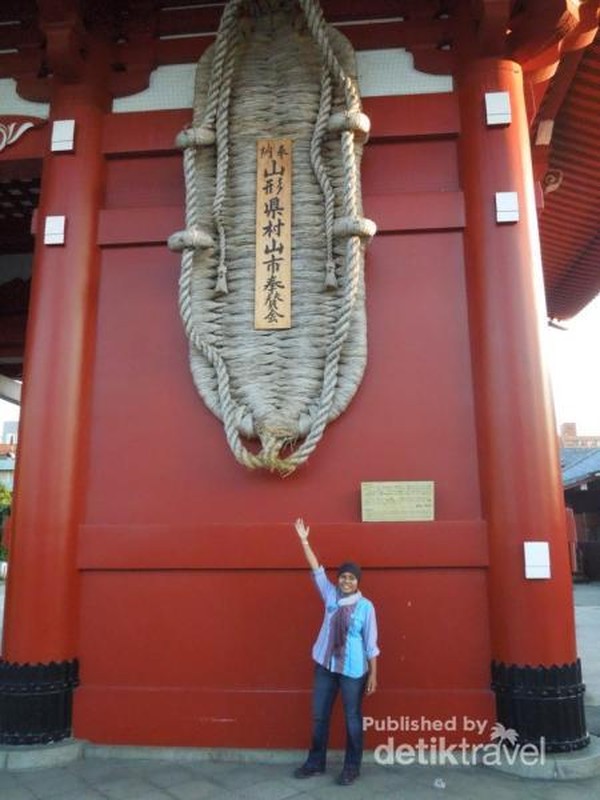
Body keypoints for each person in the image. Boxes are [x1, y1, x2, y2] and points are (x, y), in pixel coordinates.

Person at [293, 517, 380, 786]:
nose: (346, 581)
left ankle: (351, 767)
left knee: (352, 717)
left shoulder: (366, 607)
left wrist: (374, 675)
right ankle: (315, 762)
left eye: (351, 578)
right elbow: (316, 568)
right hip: (325, 666)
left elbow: (371, 643)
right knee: (319, 715)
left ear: (357, 582)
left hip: (353, 671)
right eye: (343, 576)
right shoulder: (330, 595)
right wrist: (304, 540)